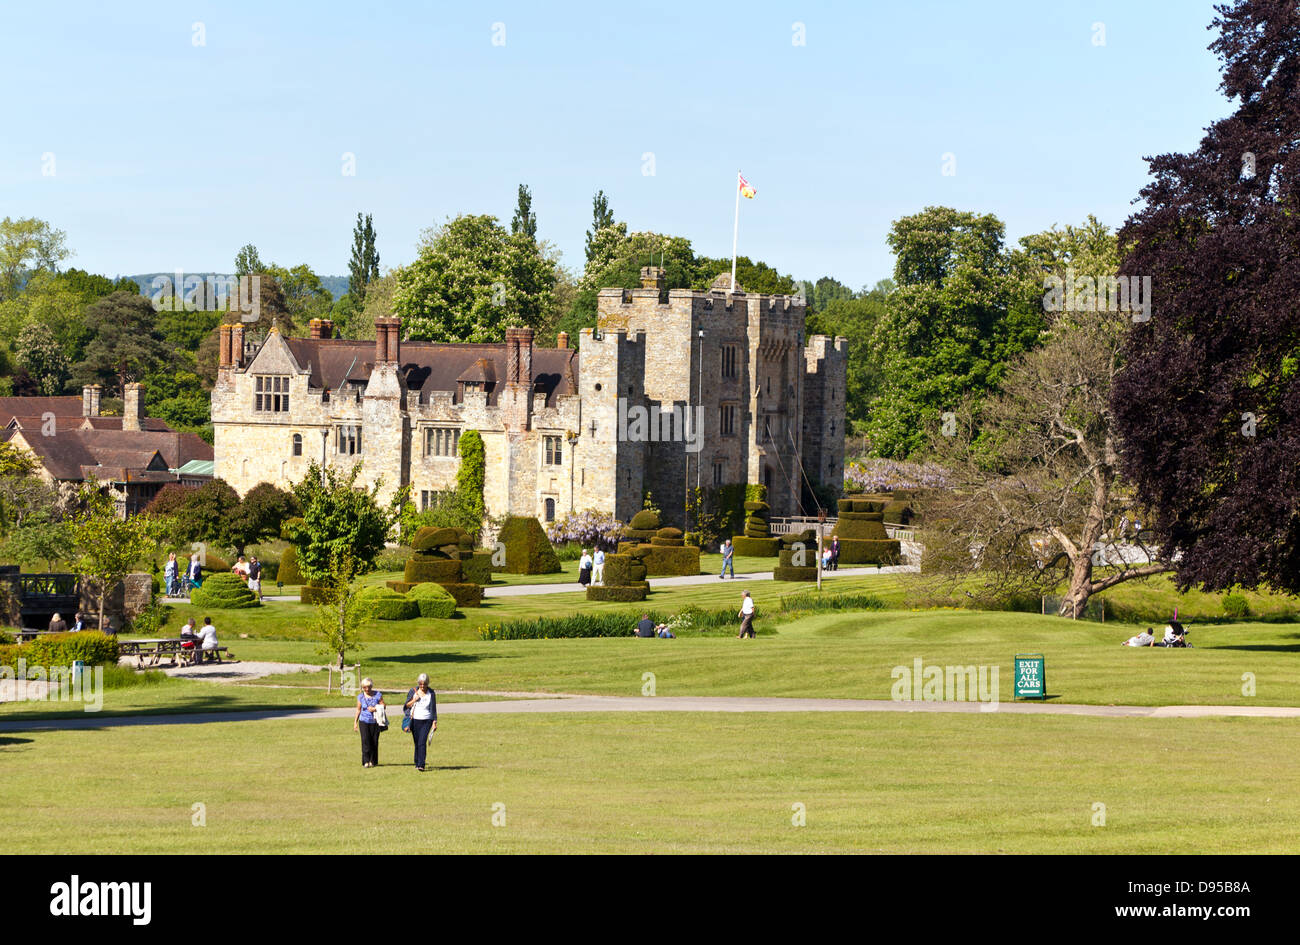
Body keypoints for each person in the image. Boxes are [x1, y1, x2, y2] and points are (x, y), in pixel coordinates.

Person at [403, 674, 438, 771]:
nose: (422, 686)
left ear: (428, 683)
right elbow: (406, 705)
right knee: (417, 742)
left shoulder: (431, 693)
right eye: (421, 684)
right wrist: (414, 700)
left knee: (422, 742)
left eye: (425, 684)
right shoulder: (413, 691)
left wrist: (434, 721)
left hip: (427, 720)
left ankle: (421, 764)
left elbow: (433, 709)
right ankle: (417, 761)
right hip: (415, 720)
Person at [353, 678, 385, 768]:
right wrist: (355, 722)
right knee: (365, 741)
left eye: (369, 687)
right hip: (364, 721)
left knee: (374, 741)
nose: (367, 689)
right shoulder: (360, 697)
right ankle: (366, 761)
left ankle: (373, 761)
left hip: (375, 721)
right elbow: (358, 710)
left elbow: (384, 705)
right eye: (364, 687)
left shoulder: (377, 695)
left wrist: (375, 708)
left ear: (371, 686)